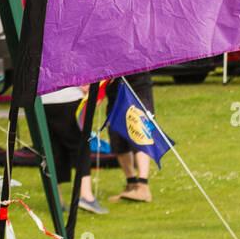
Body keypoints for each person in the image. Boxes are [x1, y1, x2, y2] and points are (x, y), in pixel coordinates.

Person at [40, 85, 107, 215]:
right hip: (69, 97)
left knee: (53, 148)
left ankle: (57, 201)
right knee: (80, 146)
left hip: (43, 99)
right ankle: (86, 195)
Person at [105, 73, 157, 203]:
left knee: (141, 134)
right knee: (116, 136)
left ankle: (143, 186)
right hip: (114, 89)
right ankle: (131, 184)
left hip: (137, 86)